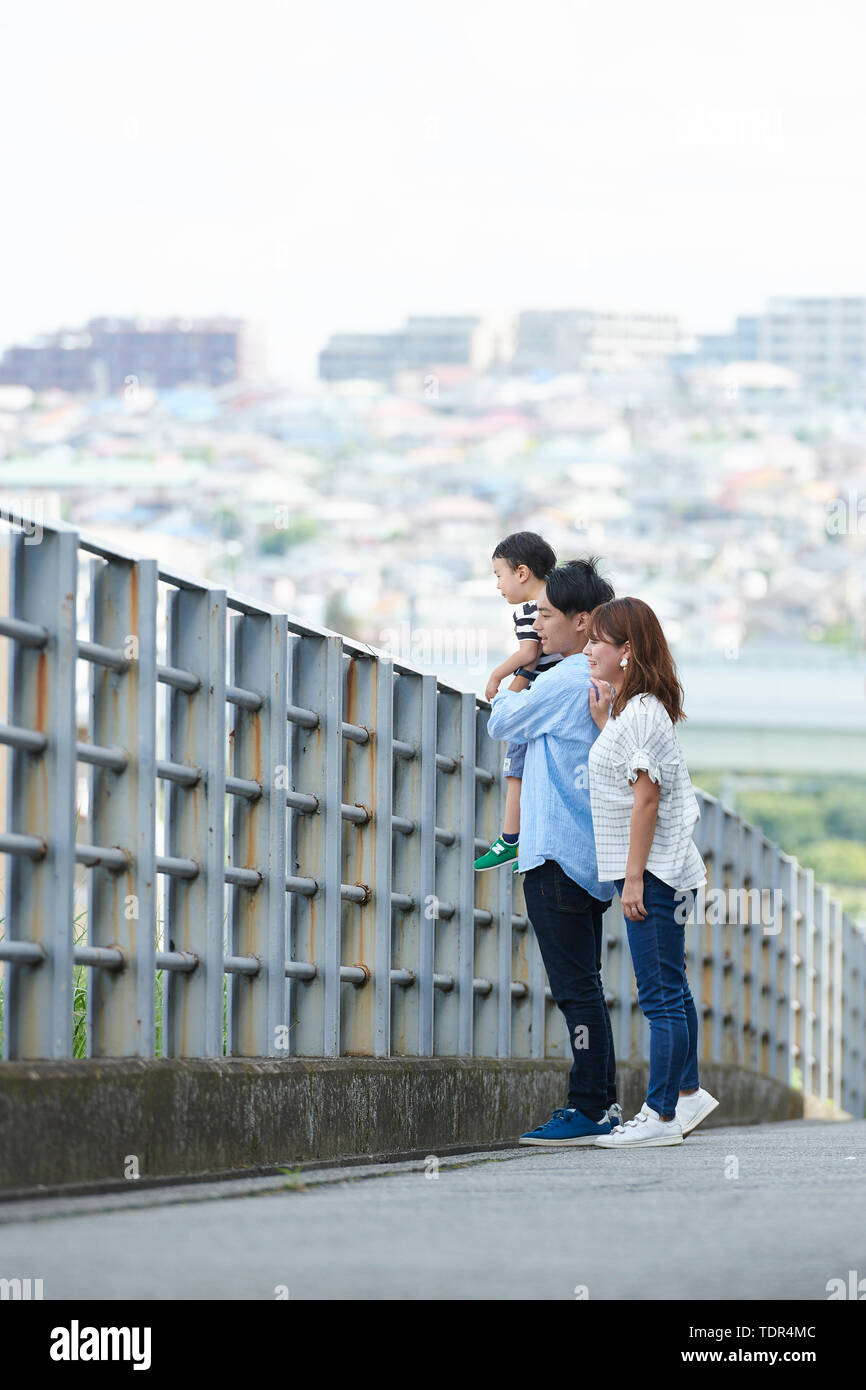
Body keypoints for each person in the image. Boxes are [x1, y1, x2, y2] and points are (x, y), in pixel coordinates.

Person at [487, 558, 622, 1145]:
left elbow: (502, 722)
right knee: (584, 984)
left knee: (575, 990)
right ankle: (602, 1104)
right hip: (584, 859)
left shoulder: (567, 679)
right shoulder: (597, 676)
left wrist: (513, 674)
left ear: (582, 620)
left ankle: (591, 1106)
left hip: (556, 858)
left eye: (544, 613)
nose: (536, 626)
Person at [582, 596, 719, 1149]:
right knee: (674, 988)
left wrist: (633, 877)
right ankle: (686, 1094)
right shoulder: (636, 710)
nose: (589, 649)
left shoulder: (638, 713)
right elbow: (627, 785)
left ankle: (659, 1116)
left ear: (627, 651)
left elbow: (646, 800)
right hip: (662, 870)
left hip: (653, 874)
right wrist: (602, 723)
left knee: (659, 996)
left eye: (598, 641)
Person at [475, 531, 563, 874]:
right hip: (554, 696)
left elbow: (528, 654)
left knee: (516, 769)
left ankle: (511, 839)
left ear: (522, 573)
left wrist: (497, 677)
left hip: (540, 701)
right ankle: (526, 839)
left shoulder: (531, 609)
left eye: (500, 576)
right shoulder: (558, 600)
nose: (499, 586)